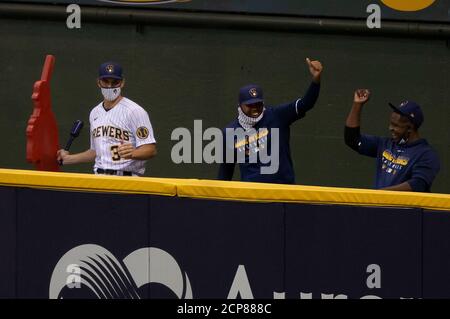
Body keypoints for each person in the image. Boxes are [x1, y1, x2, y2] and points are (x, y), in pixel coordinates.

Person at [218, 58, 323, 184]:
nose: (255, 108)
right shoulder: (230, 132)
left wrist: (316, 80)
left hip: (283, 192)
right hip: (251, 196)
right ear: (240, 105)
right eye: (249, 105)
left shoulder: (278, 116)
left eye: (258, 104)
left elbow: (306, 104)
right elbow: (225, 172)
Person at [57, 62, 157, 176]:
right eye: (106, 81)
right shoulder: (95, 112)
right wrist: (68, 159)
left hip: (127, 179)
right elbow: (96, 152)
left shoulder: (135, 111)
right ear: (98, 82)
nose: (110, 86)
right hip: (99, 179)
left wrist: (133, 153)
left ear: (122, 82)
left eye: (115, 82)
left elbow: (150, 149)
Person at [344, 89, 440, 192]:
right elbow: (352, 139)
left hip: (403, 207)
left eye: (396, 125)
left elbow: (417, 185)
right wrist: (357, 105)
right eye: (391, 124)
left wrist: (381, 195)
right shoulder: (385, 144)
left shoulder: (426, 154)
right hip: (378, 205)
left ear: (410, 128)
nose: (390, 128)